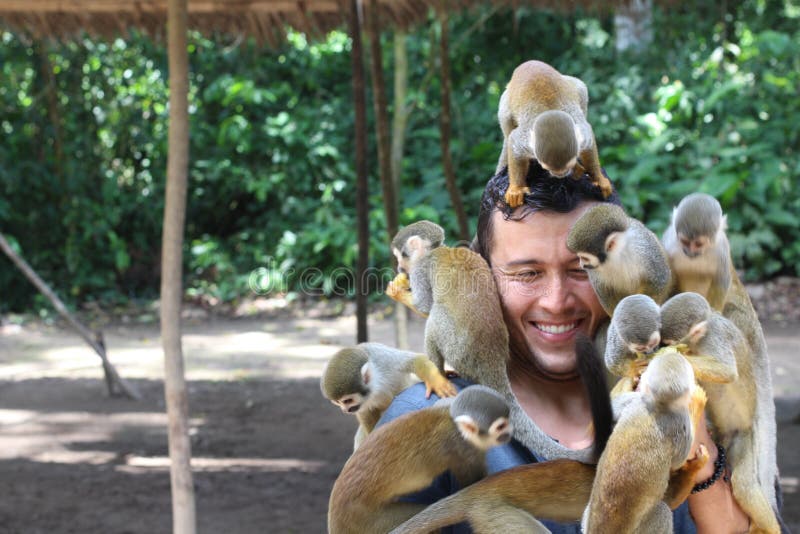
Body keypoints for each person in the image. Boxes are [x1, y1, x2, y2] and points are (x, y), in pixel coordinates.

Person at [378, 163, 754, 533]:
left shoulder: (692, 389)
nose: (556, 302)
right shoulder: (425, 417)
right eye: (527, 274)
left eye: (580, 271)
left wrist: (700, 458)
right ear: (483, 278)